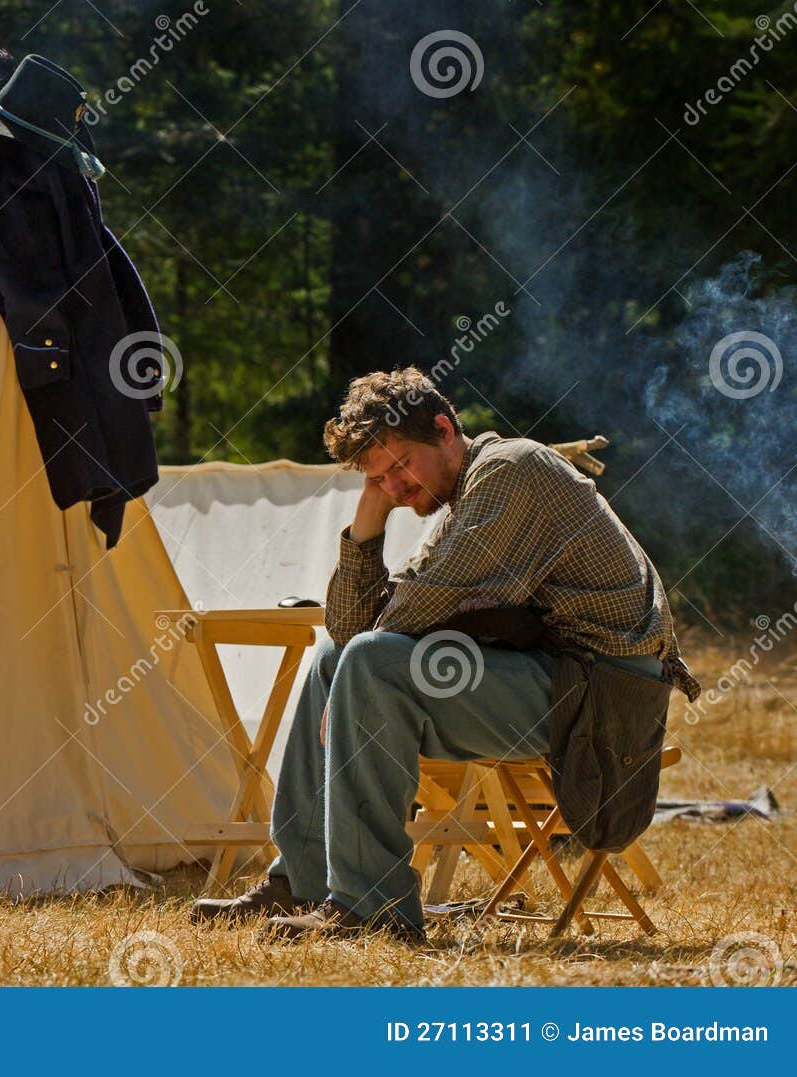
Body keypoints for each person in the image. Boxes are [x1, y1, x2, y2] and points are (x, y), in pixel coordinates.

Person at [190, 367, 698, 943]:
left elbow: (421, 604)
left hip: (602, 691)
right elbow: (352, 625)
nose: (395, 488)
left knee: (368, 660)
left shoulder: (512, 470)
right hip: (552, 677)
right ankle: (303, 880)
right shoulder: (459, 501)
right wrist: (369, 519)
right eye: (378, 478)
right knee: (336, 653)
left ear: (443, 428)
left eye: (400, 465)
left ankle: (374, 908)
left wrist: (362, 659)